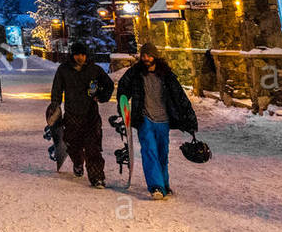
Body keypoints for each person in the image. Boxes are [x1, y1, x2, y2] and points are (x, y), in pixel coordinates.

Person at [117, 42, 197, 200]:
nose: (146, 58)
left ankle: (164, 184)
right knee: (149, 152)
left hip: (163, 120)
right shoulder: (135, 73)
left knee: (162, 153)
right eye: (143, 55)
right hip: (144, 119)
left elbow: (179, 97)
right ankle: (156, 187)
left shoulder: (166, 75)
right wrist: (123, 107)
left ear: (155, 56)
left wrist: (190, 119)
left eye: (149, 55)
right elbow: (123, 88)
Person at [48, 40, 115, 188]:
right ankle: (78, 163)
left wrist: (102, 96)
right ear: (72, 55)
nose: (80, 57)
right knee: (72, 144)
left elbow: (109, 85)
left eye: (83, 55)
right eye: (77, 54)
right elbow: (57, 90)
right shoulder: (63, 70)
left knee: (93, 147)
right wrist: (55, 107)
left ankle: (97, 177)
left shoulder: (94, 70)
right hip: (72, 115)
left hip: (91, 115)